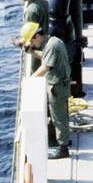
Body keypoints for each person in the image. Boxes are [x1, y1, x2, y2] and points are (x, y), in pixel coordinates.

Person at [21, 22, 71, 159]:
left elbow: (45, 67)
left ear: (37, 36)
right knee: (61, 115)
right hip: (61, 84)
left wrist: (29, 80)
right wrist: (31, 51)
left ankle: (63, 148)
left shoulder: (52, 46)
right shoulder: (53, 42)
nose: (31, 43)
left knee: (58, 117)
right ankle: (64, 139)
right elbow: (46, 57)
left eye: (31, 40)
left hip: (57, 87)